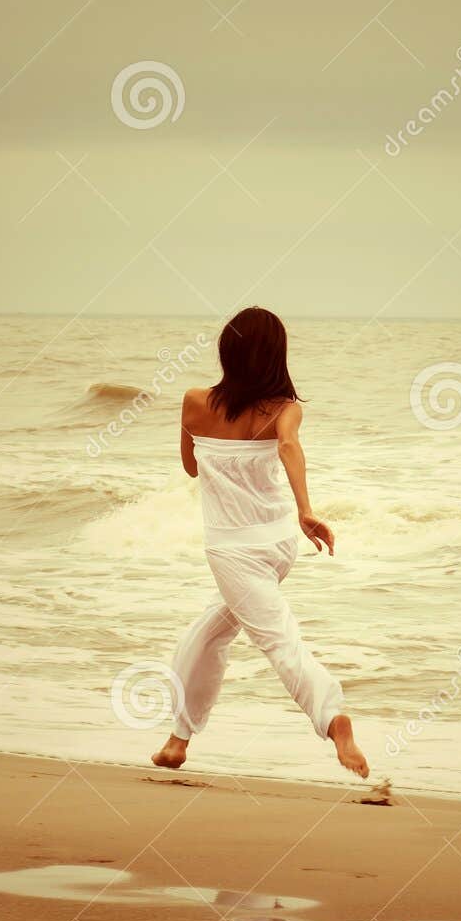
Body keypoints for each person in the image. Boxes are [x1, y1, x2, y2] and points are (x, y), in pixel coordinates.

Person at [151, 307, 369, 780]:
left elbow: (191, 467)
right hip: (278, 543)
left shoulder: (193, 401)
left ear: (227, 351)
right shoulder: (286, 409)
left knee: (279, 642)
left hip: (232, 551)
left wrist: (218, 453)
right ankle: (177, 740)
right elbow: (288, 446)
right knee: (207, 635)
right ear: (276, 356)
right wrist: (304, 510)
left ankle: (333, 718)